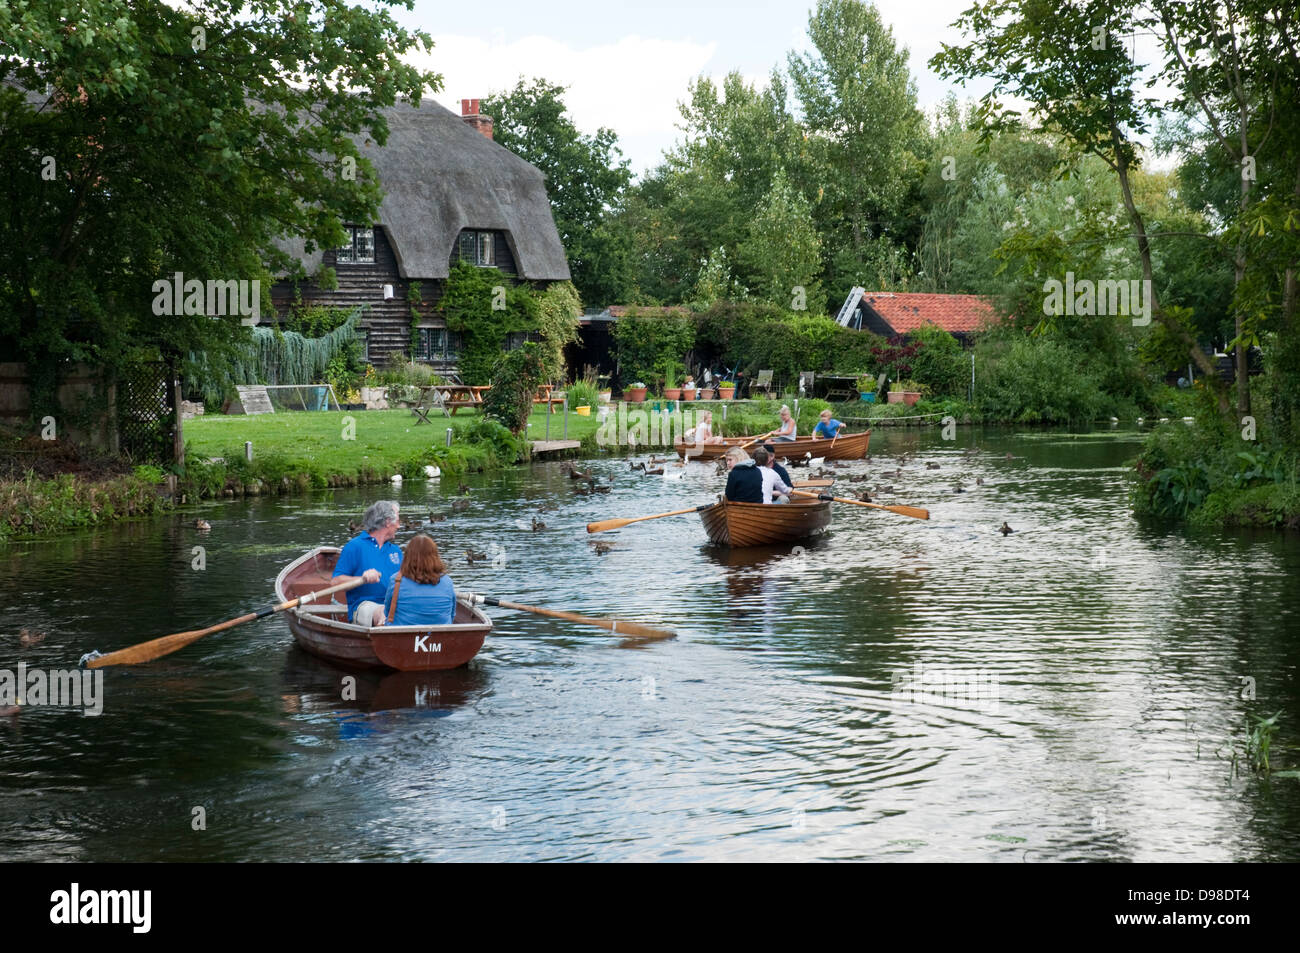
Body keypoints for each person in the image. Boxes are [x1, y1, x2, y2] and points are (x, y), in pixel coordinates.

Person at [332, 500, 403, 627]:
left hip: (393, 606)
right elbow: (336, 582)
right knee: (383, 613)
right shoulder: (355, 546)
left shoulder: (396, 551)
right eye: (397, 521)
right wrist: (362, 578)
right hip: (364, 606)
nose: (399, 526)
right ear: (387, 522)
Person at [382, 534, 456, 626]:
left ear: (408, 556)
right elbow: (452, 615)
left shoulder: (396, 580)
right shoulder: (447, 582)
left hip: (401, 636)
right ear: (435, 556)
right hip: (440, 638)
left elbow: (387, 613)